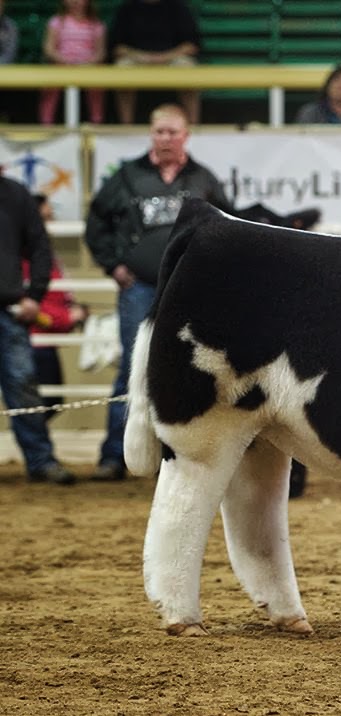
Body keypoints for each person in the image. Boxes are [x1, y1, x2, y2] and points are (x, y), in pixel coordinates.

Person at [84, 103, 232, 481]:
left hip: (189, 290)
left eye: (172, 132)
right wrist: (113, 264)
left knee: (192, 370)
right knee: (132, 371)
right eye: (159, 132)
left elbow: (227, 227)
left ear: (186, 135)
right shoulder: (126, 177)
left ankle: (184, 455)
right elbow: (96, 222)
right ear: (151, 134)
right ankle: (115, 455)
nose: (165, 138)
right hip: (140, 287)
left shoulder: (204, 181)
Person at [0, 175, 77, 485]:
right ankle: (41, 459)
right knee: (23, 384)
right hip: (11, 309)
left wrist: (35, 296)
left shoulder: (14, 195)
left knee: (23, 385)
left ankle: (41, 460)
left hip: (8, 310)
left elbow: (40, 246)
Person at [23, 194, 89, 415]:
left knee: (49, 402)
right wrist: (65, 318)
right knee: (39, 404)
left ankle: (36, 445)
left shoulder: (43, 250)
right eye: (46, 217)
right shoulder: (25, 253)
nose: (50, 221)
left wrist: (71, 312)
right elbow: (25, 298)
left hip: (45, 339)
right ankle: (36, 447)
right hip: (35, 339)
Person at [108, 0, 201, 124]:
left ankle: (193, 126)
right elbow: (117, 48)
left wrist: (164, 57)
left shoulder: (179, 7)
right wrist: (142, 57)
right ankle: (126, 125)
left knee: (189, 69)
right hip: (137, 58)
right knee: (122, 68)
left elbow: (191, 46)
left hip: (172, 58)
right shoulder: (127, 9)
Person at [39, 0, 107, 125]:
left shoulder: (96, 24)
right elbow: (48, 48)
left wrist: (88, 62)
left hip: (88, 66)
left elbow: (100, 52)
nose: (76, 2)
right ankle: (46, 123)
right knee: (50, 85)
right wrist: (63, 60)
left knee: (97, 86)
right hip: (61, 64)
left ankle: (97, 121)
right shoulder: (57, 22)